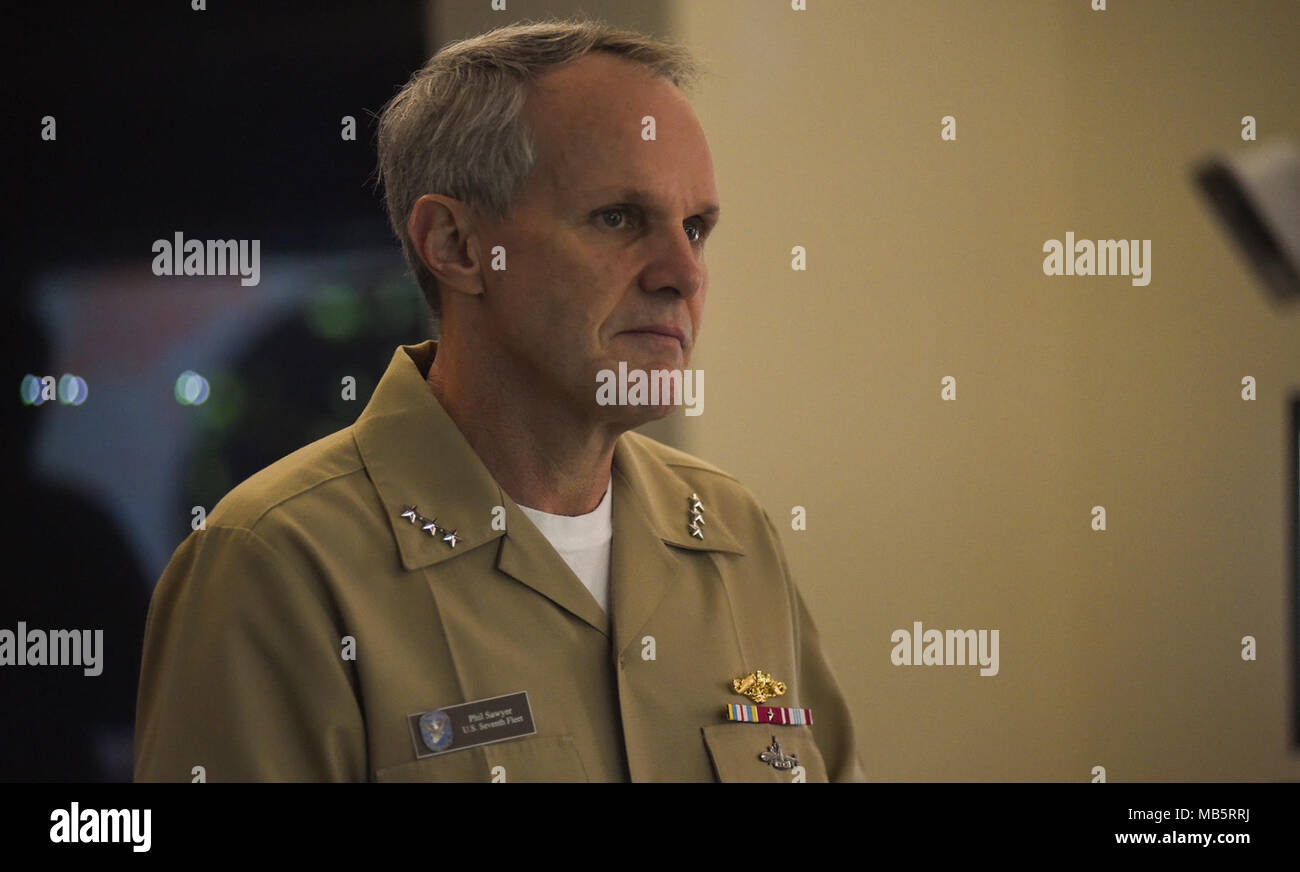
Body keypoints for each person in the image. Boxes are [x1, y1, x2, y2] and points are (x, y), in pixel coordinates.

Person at [134, 18, 864, 782]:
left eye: (695, 227)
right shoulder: (277, 562)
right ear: (455, 245)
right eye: (618, 218)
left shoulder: (734, 534)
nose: (682, 274)